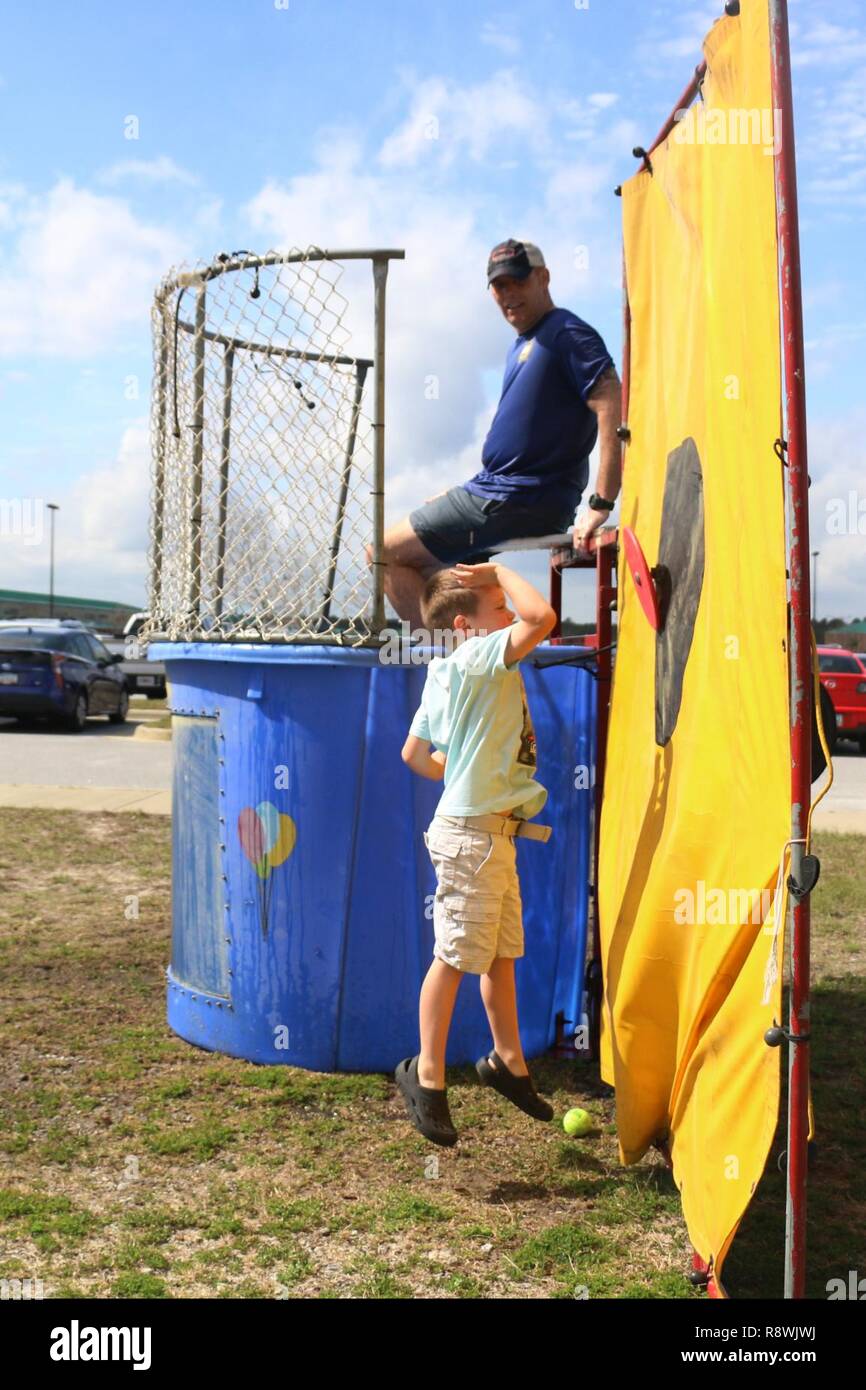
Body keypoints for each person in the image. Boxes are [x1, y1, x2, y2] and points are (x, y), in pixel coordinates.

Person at [375, 239, 622, 631]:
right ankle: (477, 656)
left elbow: (611, 400)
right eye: (499, 286)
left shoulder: (566, 333)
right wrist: (464, 489)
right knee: (445, 576)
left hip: (515, 498)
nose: (508, 295)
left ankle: (445, 665)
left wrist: (602, 500)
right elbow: (516, 451)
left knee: (383, 551)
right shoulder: (524, 343)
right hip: (497, 491)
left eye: (517, 283)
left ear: (543, 278)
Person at [394, 559, 557, 1146]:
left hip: (491, 831)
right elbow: (542, 617)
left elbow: (414, 755)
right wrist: (501, 568)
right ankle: (427, 1074)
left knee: (499, 953)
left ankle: (507, 1061)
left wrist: (463, 778)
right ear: (466, 624)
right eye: (497, 606)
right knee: (458, 955)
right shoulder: (478, 657)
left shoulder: (443, 670)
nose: (509, 612)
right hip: (474, 836)